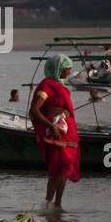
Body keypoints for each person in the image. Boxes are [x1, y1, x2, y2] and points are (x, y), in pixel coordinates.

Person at [29, 53, 80, 209]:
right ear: (59, 69)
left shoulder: (60, 86)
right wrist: (51, 126)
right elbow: (35, 110)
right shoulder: (47, 86)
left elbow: (66, 108)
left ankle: (55, 205)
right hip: (55, 135)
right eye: (67, 69)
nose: (69, 72)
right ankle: (51, 203)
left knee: (62, 169)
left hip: (66, 134)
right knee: (58, 169)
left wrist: (64, 113)